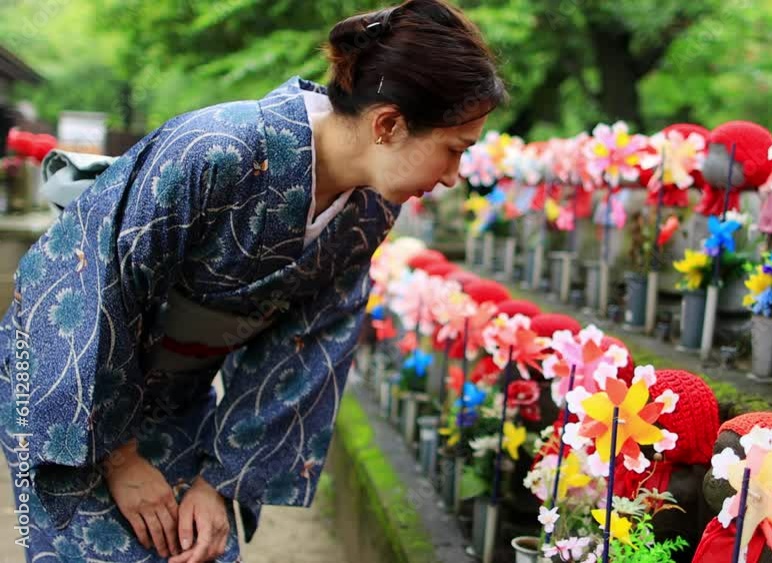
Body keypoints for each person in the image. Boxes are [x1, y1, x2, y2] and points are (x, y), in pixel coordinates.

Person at [0, 1, 505, 561]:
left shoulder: (369, 213)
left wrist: (221, 484)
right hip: (74, 382)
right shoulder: (216, 149)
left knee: (197, 546)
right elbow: (87, 288)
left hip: (180, 396)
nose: (454, 176)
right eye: (454, 150)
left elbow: (307, 346)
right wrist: (118, 459)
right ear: (388, 123)